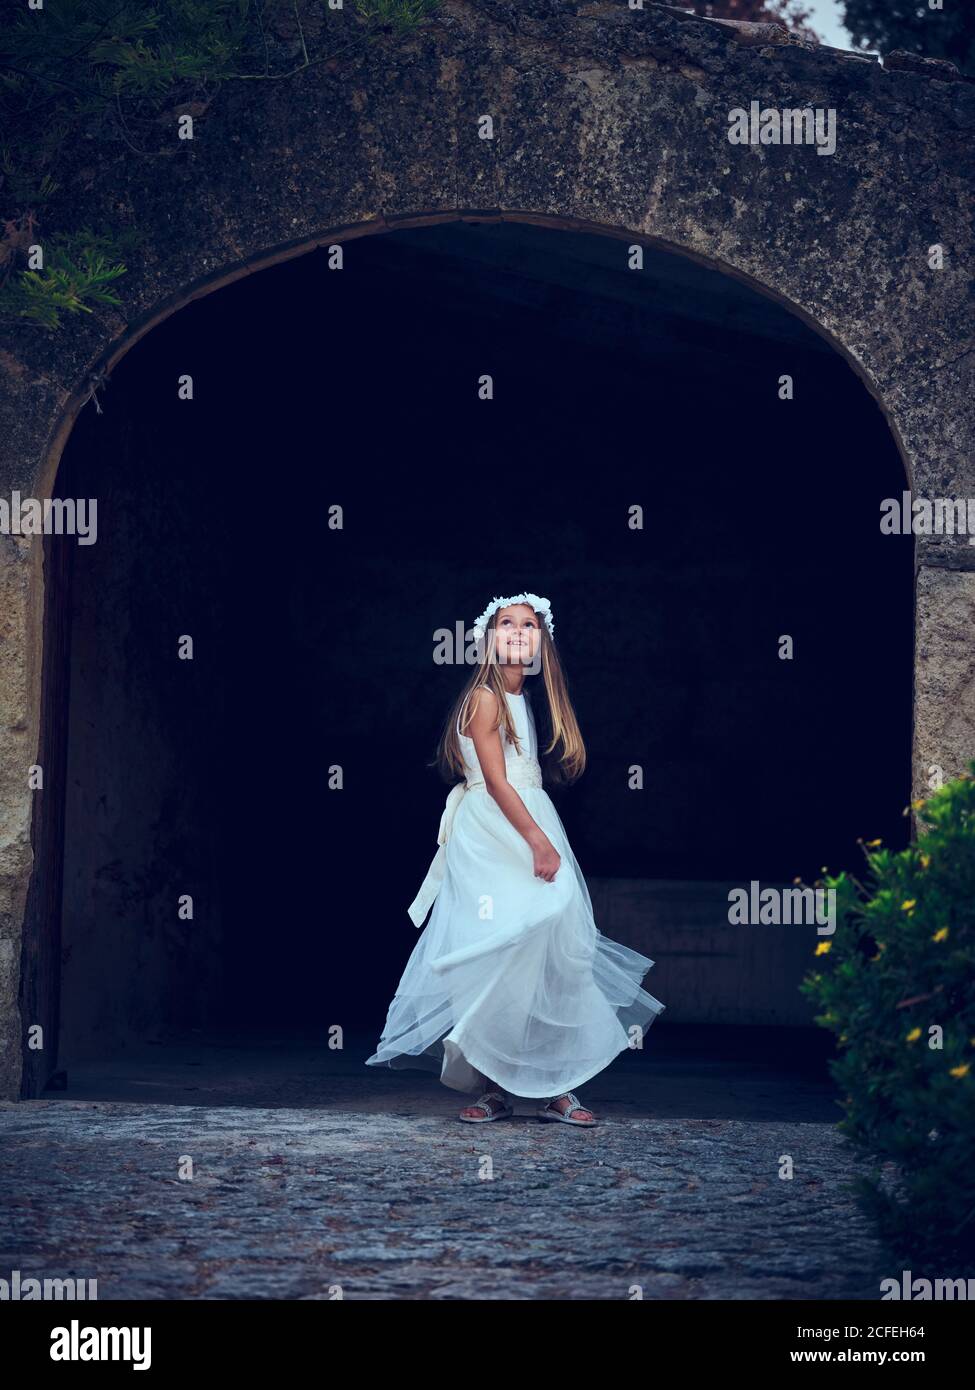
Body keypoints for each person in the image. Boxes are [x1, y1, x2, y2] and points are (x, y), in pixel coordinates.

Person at [365, 591, 665, 1126]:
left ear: (540, 644)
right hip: (496, 832)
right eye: (508, 623)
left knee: (553, 947)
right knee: (500, 951)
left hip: (528, 820)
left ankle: (556, 1085)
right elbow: (497, 782)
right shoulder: (484, 697)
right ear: (489, 638)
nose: (519, 633)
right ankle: (497, 1087)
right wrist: (537, 841)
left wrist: (541, 833)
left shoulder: (522, 699)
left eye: (530, 626)